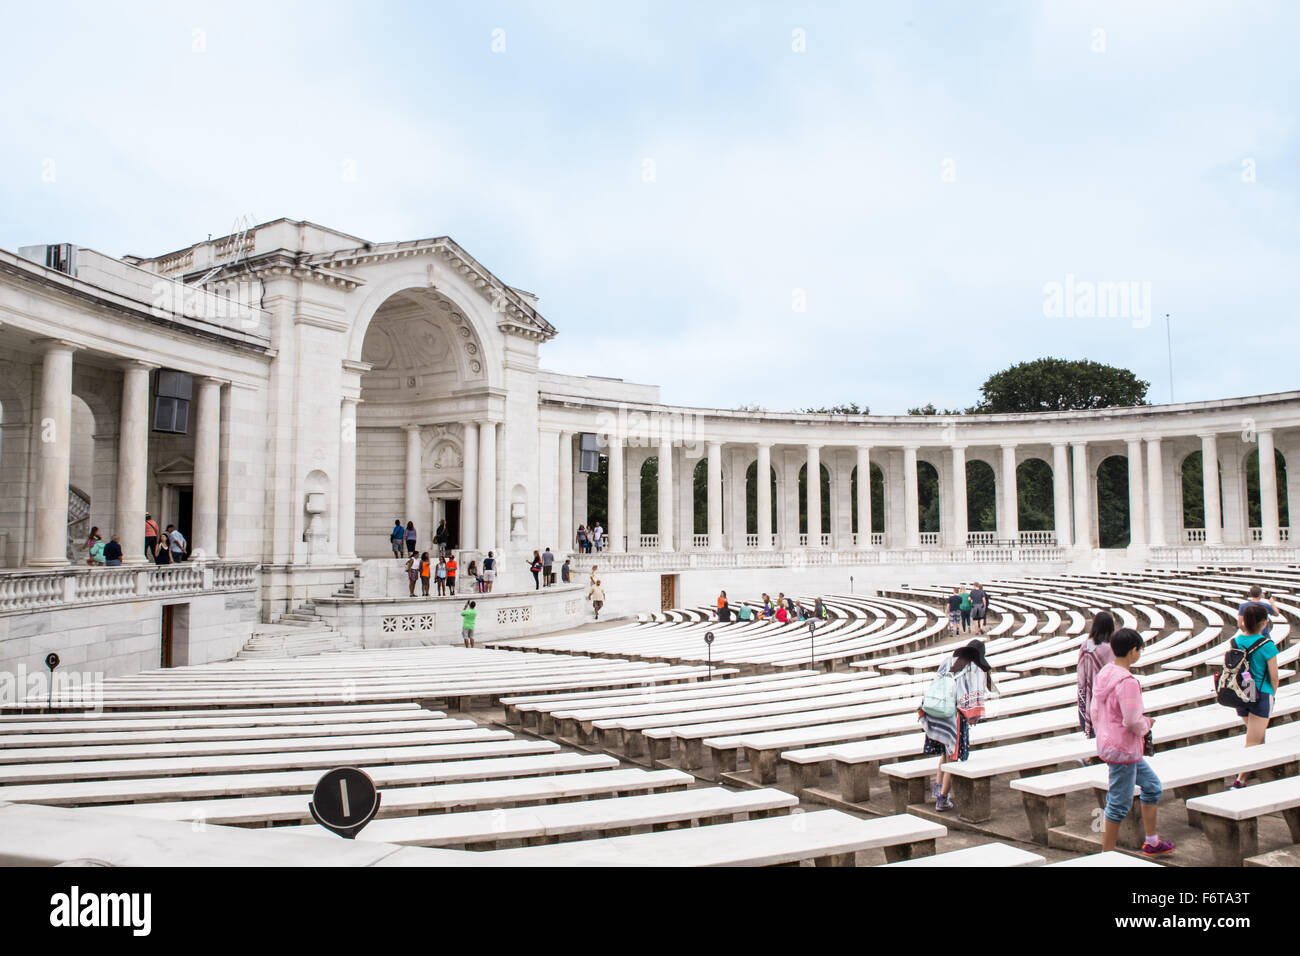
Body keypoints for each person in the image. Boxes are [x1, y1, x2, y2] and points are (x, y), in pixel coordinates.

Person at [1091, 628, 1174, 856]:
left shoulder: (1105, 673)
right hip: (1123, 748)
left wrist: (1103, 733)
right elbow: (1131, 720)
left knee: (1152, 786)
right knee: (1118, 805)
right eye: (1140, 649)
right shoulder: (1127, 682)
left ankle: (1152, 841)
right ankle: (1107, 855)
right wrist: (1147, 723)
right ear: (1133, 651)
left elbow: (1095, 709)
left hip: (1115, 743)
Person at [921, 640, 996, 812]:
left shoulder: (948, 661)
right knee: (954, 757)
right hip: (955, 715)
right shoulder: (975, 670)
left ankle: (937, 788)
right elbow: (974, 698)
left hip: (937, 711)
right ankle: (943, 798)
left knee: (945, 754)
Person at [1230, 603, 1281, 789]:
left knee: (1257, 734)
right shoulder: (1267, 645)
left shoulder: (1235, 642)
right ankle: (1241, 778)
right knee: (1253, 740)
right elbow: (1274, 676)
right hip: (1260, 693)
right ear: (1264, 623)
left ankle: (1260, 767)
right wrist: (1272, 695)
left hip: (1242, 692)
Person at [1077, 611, 1116, 739]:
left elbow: (1081, 674)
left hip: (1091, 692)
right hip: (1109, 692)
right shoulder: (1113, 648)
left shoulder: (1086, 646)